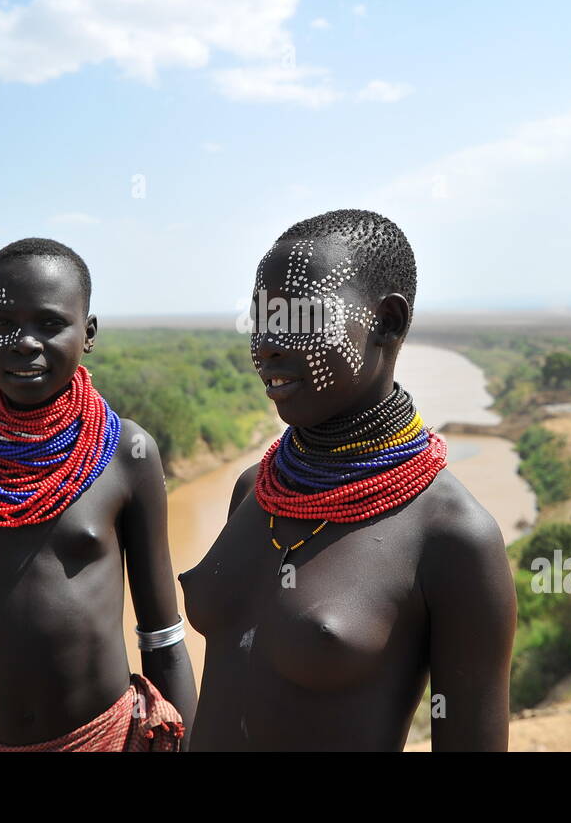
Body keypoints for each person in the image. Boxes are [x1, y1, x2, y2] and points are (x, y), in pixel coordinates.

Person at [180, 209, 517, 750]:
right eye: (262, 317)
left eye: (298, 317)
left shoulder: (452, 537)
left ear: (386, 322)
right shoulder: (255, 489)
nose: (266, 342)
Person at [0, 237, 195, 751]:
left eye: (50, 323)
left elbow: (162, 640)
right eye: (3, 323)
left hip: (103, 739)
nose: (24, 342)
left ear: (89, 332)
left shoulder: (127, 453)